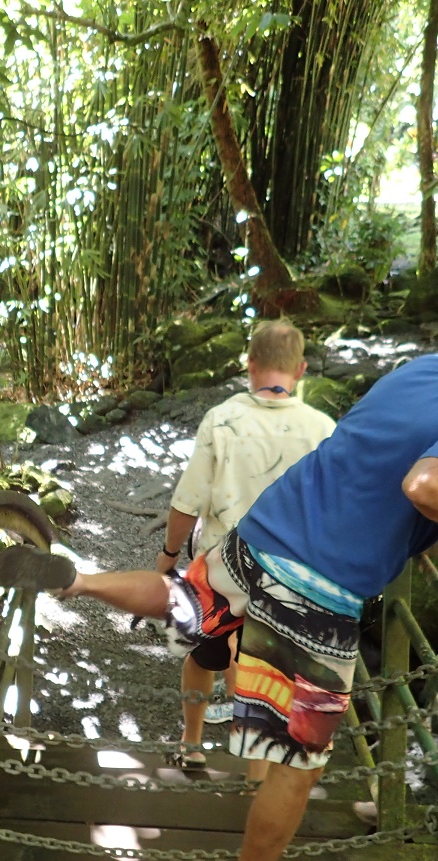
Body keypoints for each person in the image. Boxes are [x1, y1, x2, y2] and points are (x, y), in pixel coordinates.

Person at [0, 324, 438, 861]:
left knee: (188, 599)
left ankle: (78, 582)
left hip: (266, 531)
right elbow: (427, 484)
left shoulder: (437, 369)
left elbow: (393, 451)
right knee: (296, 761)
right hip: (317, 588)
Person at [158, 320, 334, 772]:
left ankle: (192, 744)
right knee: (268, 674)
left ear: (249, 365)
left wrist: (169, 554)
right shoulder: (322, 428)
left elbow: (188, 501)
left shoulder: (222, 419)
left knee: (203, 656)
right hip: (289, 576)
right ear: (302, 369)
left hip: (221, 567)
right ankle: (256, 775)